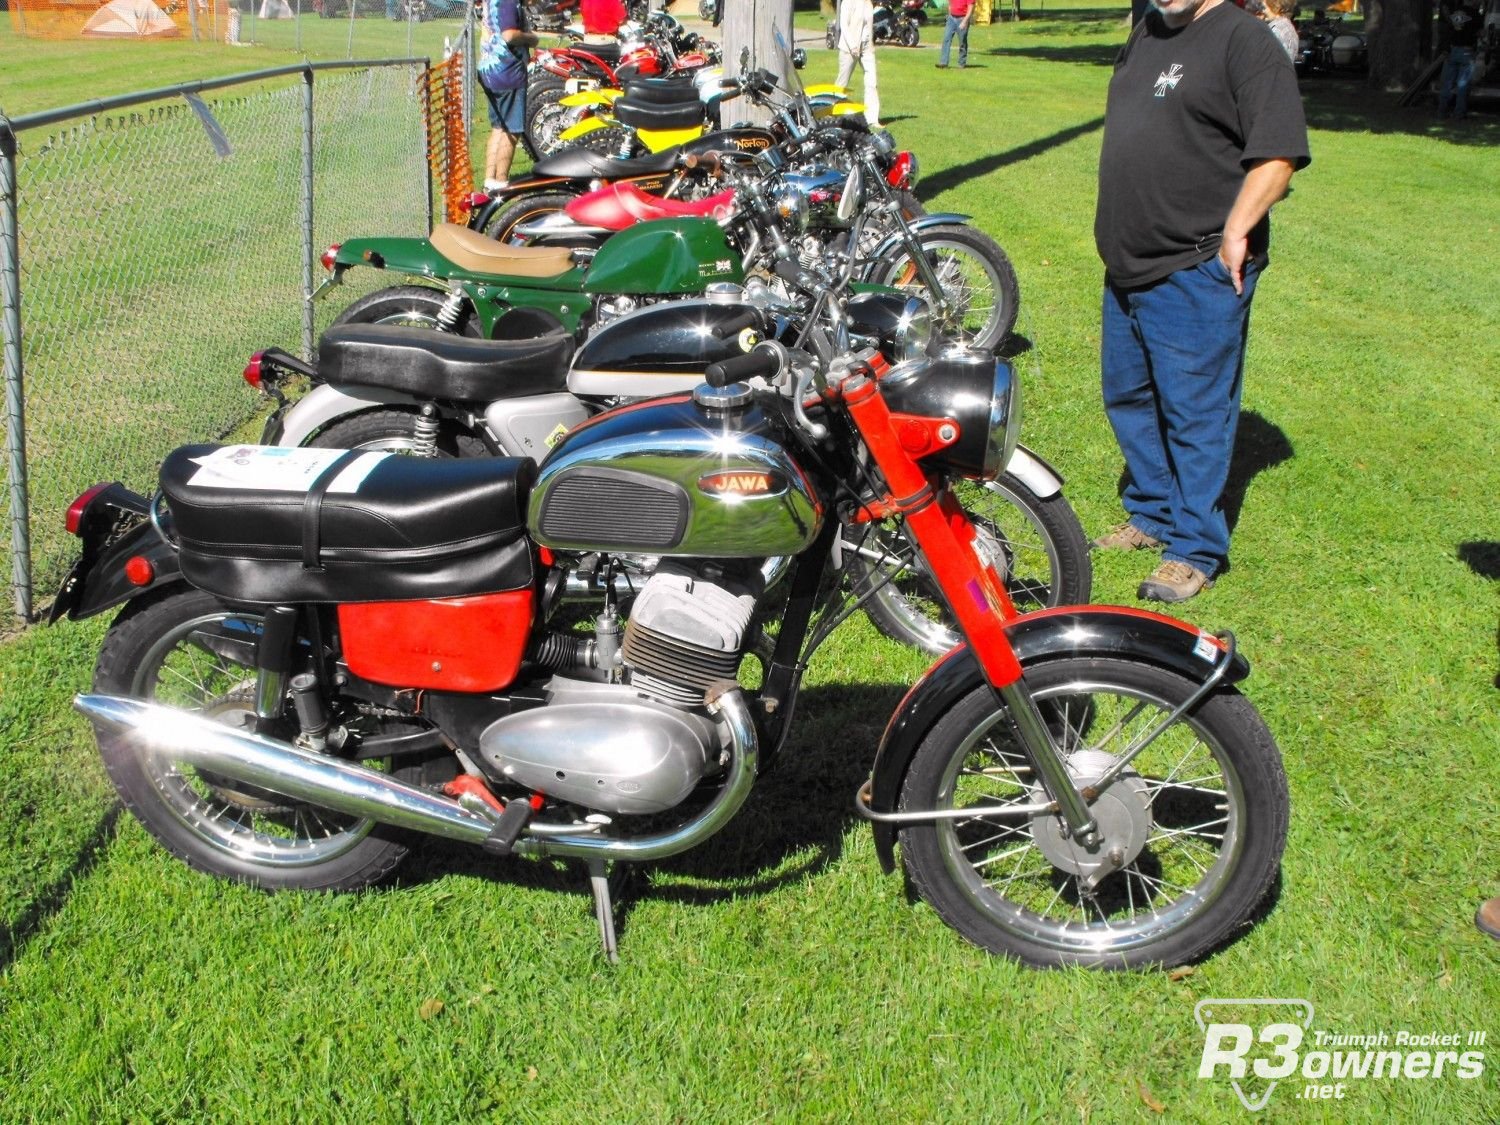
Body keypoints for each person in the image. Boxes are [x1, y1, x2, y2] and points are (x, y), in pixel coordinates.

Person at [1092, 0, 1310, 602]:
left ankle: (1194, 546)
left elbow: (1278, 154)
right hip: (1130, 263)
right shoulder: (1148, 32)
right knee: (1130, 397)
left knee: (1195, 413)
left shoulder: (1246, 42)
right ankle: (1154, 511)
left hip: (1195, 265)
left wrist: (1237, 232)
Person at [478, 0, 538, 192]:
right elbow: (509, 34)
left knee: (498, 127)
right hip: (507, 73)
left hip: (490, 71)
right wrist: (531, 39)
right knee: (512, 130)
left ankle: (490, 180)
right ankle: (502, 182)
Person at [834, 0, 882, 128]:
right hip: (850, 47)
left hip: (866, 47)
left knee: (872, 81)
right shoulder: (848, 2)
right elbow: (844, 24)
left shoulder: (869, 3)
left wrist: (871, 43)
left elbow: (869, 26)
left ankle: (872, 118)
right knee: (841, 84)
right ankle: (832, 113)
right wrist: (852, 45)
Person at [1437, 0, 1481, 120]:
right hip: (1467, 51)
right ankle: (1459, 113)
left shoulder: (1457, 12)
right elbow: (1480, 33)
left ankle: (1442, 111)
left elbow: (1450, 29)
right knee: (1463, 84)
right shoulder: (1476, 15)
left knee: (1447, 83)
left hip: (1453, 50)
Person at [937, 0, 973, 68]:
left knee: (962, 41)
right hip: (952, 18)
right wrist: (949, 15)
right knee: (946, 39)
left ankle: (962, 63)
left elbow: (970, 8)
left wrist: (965, 21)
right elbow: (950, 4)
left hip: (962, 18)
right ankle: (943, 62)